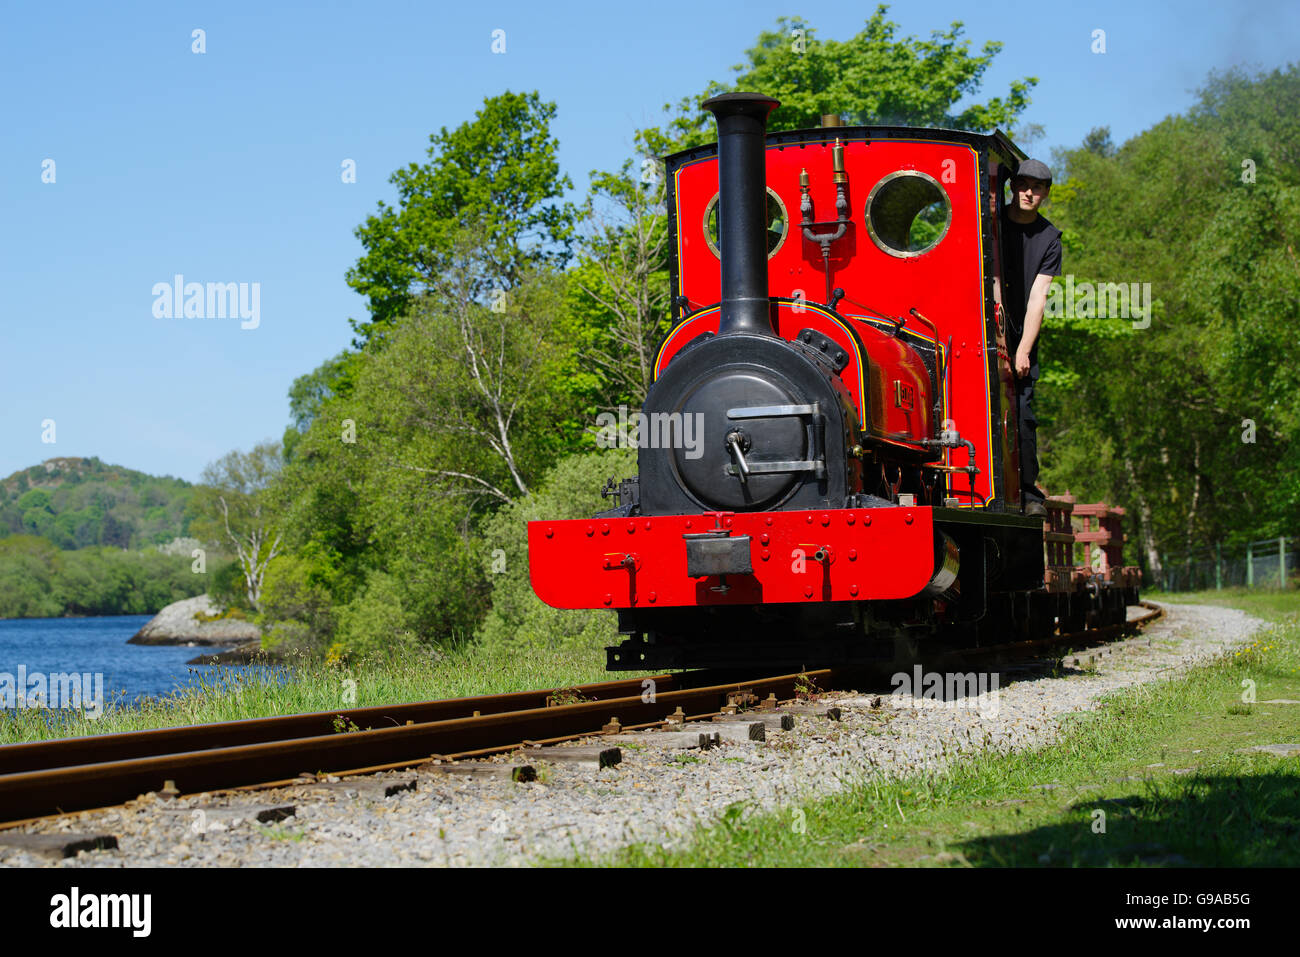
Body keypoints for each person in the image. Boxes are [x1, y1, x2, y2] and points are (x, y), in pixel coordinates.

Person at [1000, 158, 1061, 519]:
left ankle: (1028, 494)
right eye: (1023, 185)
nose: (1028, 192)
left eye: (1037, 188)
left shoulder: (1050, 238)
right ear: (1013, 187)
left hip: (1022, 335)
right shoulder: (988, 221)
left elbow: (1039, 297)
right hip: (983, 327)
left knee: (1022, 416)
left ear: (1045, 194)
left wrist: (1022, 348)